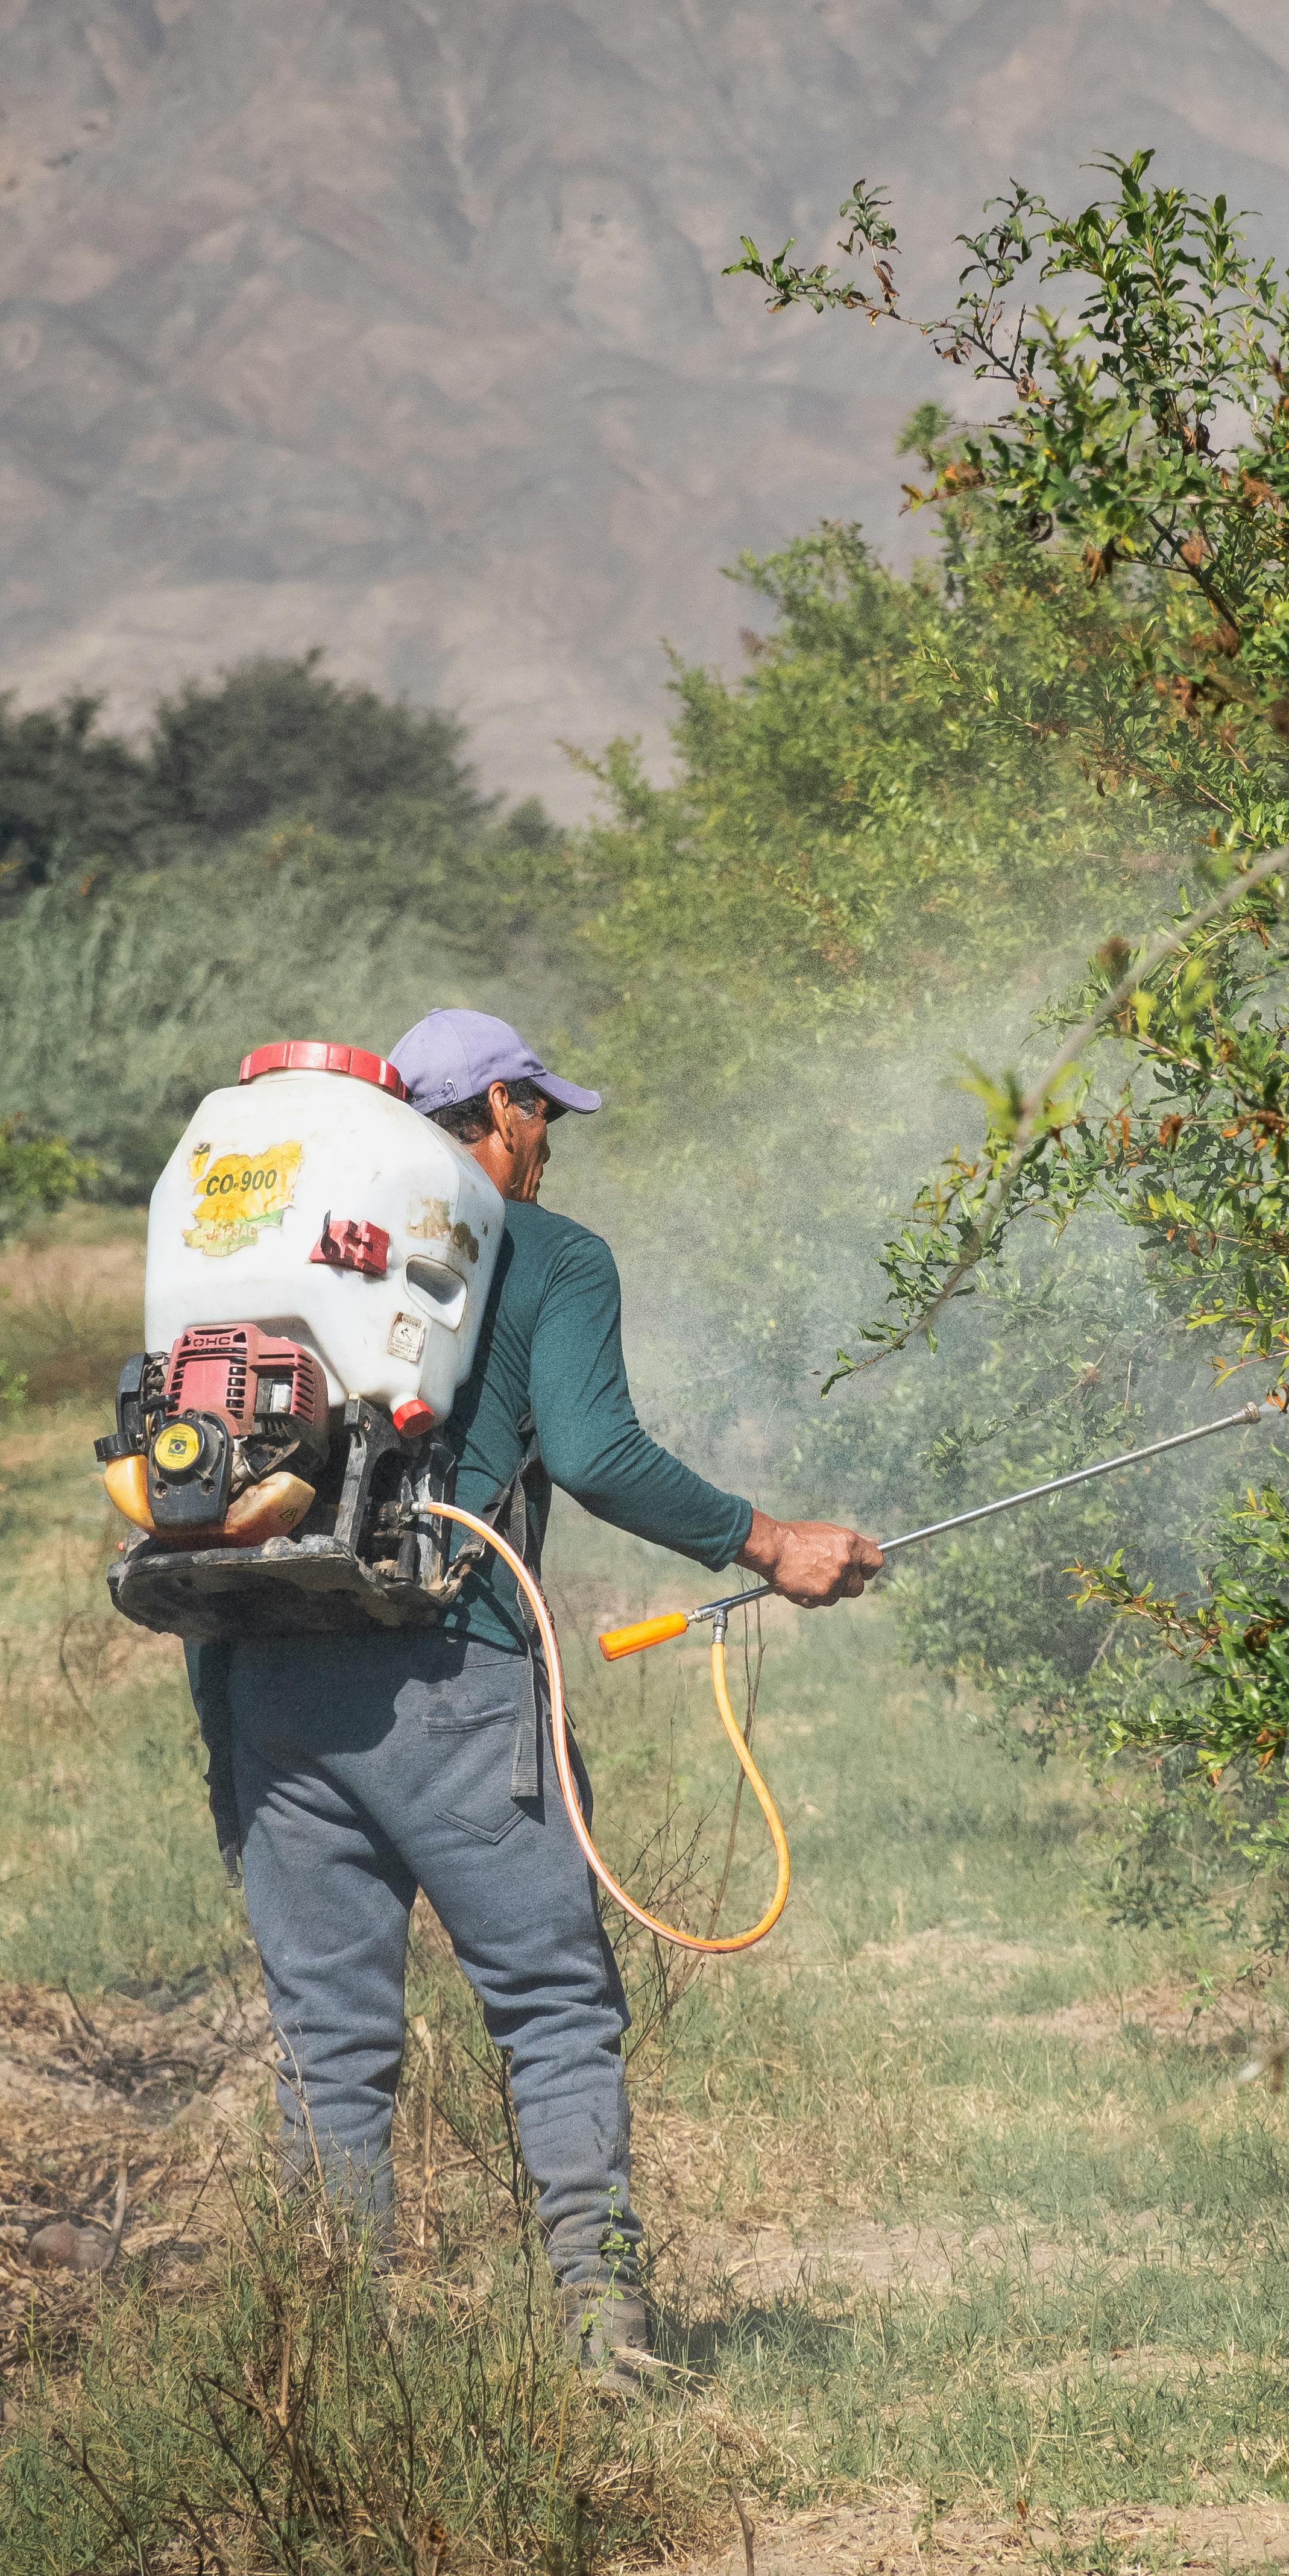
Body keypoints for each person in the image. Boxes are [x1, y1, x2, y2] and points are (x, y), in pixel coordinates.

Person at [186, 1007, 881, 2389]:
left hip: (260, 1671)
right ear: (497, 1110)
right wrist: (770, 1542)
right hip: (451, 1673)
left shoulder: (272, 1242)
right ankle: (604, 2332)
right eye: (543, 1113)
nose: (550, 1141)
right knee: (554, 2005)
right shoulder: (550, 1253)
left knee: (329, 2040)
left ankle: (328, 2374)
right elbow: (599, 1451)